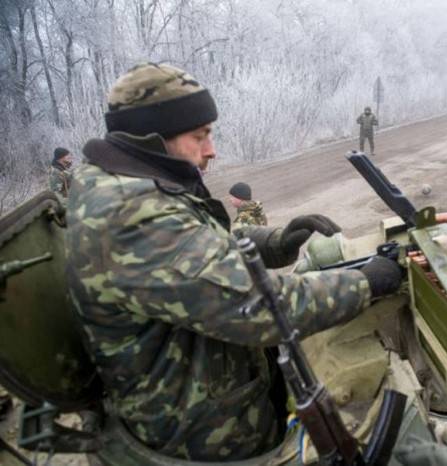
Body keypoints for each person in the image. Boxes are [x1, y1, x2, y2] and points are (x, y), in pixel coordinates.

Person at [64, 63, 402, 462]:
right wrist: (366, 283)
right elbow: (258, 308)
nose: (211, 150)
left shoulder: (131, 182)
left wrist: (275, 242)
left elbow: (203, 249)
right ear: (153, 139)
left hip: (198, 399)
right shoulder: (132, 215)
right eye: (199, 136)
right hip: (197, 439)